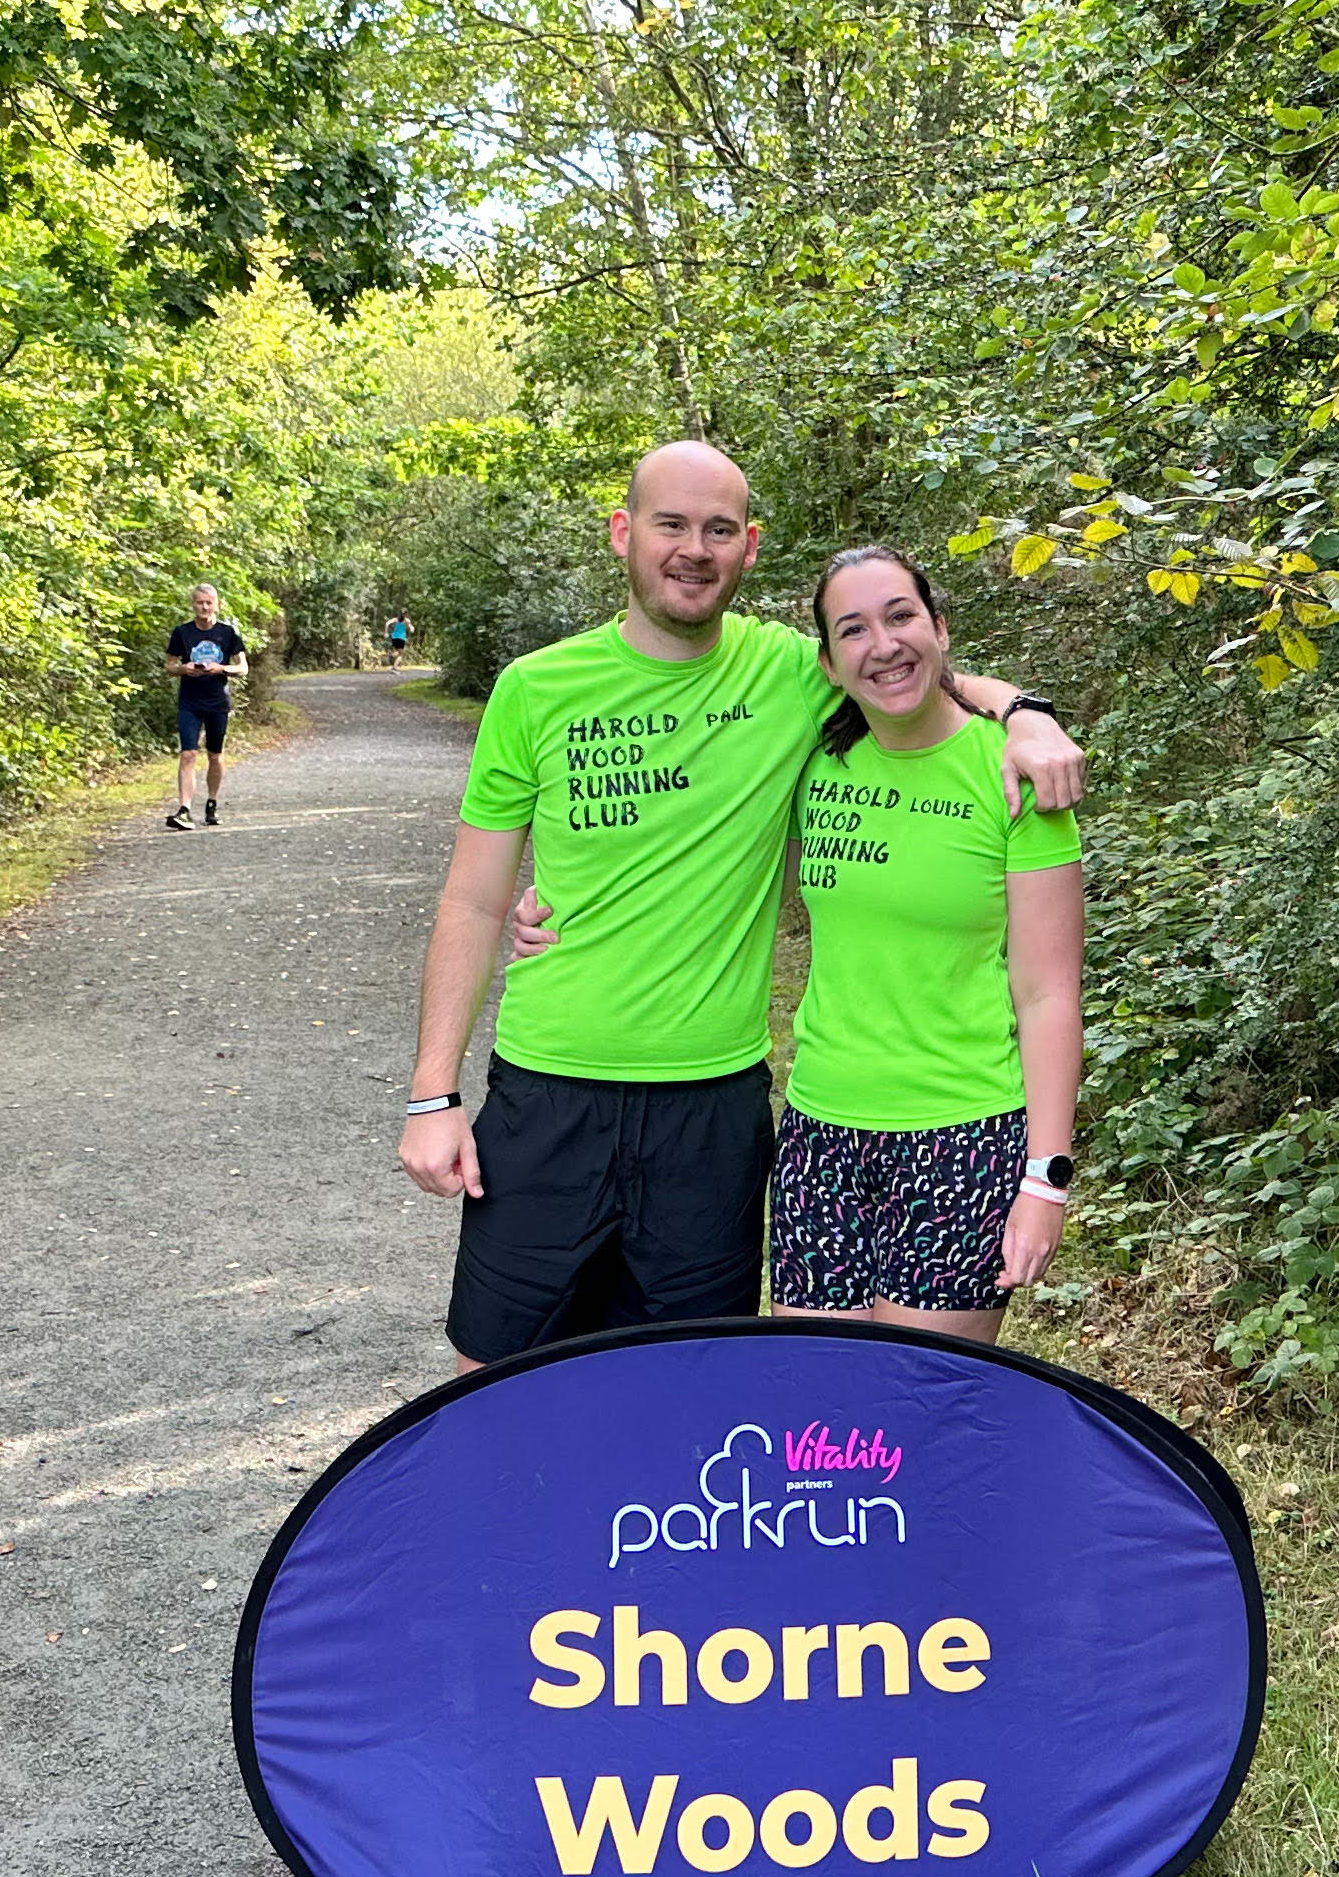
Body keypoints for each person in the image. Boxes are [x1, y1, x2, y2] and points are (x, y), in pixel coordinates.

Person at [395, 439, 1083, 1369]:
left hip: (713, 1109)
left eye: (718, 529)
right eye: (670, 523)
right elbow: (474, 903)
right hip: (547, 1089)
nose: (694, 548)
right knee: (495, 1382)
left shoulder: (792, 672)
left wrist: (1030, 712)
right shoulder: (535, 688)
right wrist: (432, 1092)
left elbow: (906, 666)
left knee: (695, 1388)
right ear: (622, 533)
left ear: (748, 546)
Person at [770, 546, 1082, 1344]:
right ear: (830, 664)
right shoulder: (813, 759)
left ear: (940, 628)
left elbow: (1047, 994)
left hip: (960, 1138)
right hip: (818, 1134)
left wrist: (1044, 1179)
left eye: (901, 616)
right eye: (854, 629)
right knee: (816, 1415)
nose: (883, 643)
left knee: (921, 1415)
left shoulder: (1014, 776)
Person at [164, 584, 246, 830]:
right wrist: (184, 669)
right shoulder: (182, 633)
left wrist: (220, 668)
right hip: (189, 700)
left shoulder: (227, 633)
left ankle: (212, 803)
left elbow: (242, 668)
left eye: (209, 602)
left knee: (214, 755)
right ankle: (184, 809)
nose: (204, 607)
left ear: (216, 605)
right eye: (200, 602)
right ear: (193, 604)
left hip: (217, 701)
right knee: (188, 753)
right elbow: (169, 666)